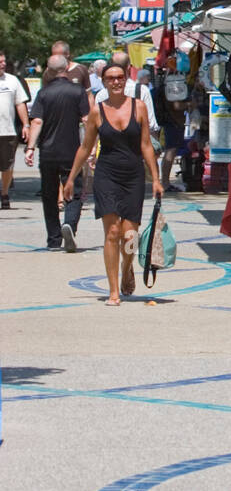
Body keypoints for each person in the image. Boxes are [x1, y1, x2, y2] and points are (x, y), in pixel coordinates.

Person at [64, 61, 162, 305]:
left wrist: (157, 179)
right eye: (110, 78)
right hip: (106, 175)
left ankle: (128, 266)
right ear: (104, 82)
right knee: (113, 232)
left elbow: (146, 146)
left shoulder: (138, 107)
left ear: (125, 79)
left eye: (119, 77)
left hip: (133, 176)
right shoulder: (97, 111)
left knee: (130, 236)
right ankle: (113, 291)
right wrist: (71, 178)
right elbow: (86, 147)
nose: (116, 82)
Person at [24, 55, 90, 250]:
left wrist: (30, 148)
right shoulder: (78, 91)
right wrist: (91, 146)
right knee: (75, 192)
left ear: (49, 70)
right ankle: (69, 223)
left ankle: (53, 239)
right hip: (72, 151)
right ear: (67, 68)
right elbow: (86, 119)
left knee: (49, 194)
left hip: (48, 152)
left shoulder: (43, 93)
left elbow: (36, 121)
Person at [95, 52, 159, 136]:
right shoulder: (142, 91)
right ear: (129, 67)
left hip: (111, 145)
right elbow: (151, 125)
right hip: (138, 144)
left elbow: (97, 126)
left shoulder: (101, 94)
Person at [0, 50, 29, 208]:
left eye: (3, 61)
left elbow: (20, 104)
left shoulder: (12, 81)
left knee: (7, 166)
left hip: (8, 130)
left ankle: (4, 193)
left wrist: (26, 124)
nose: (3, 64)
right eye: (0, 62)